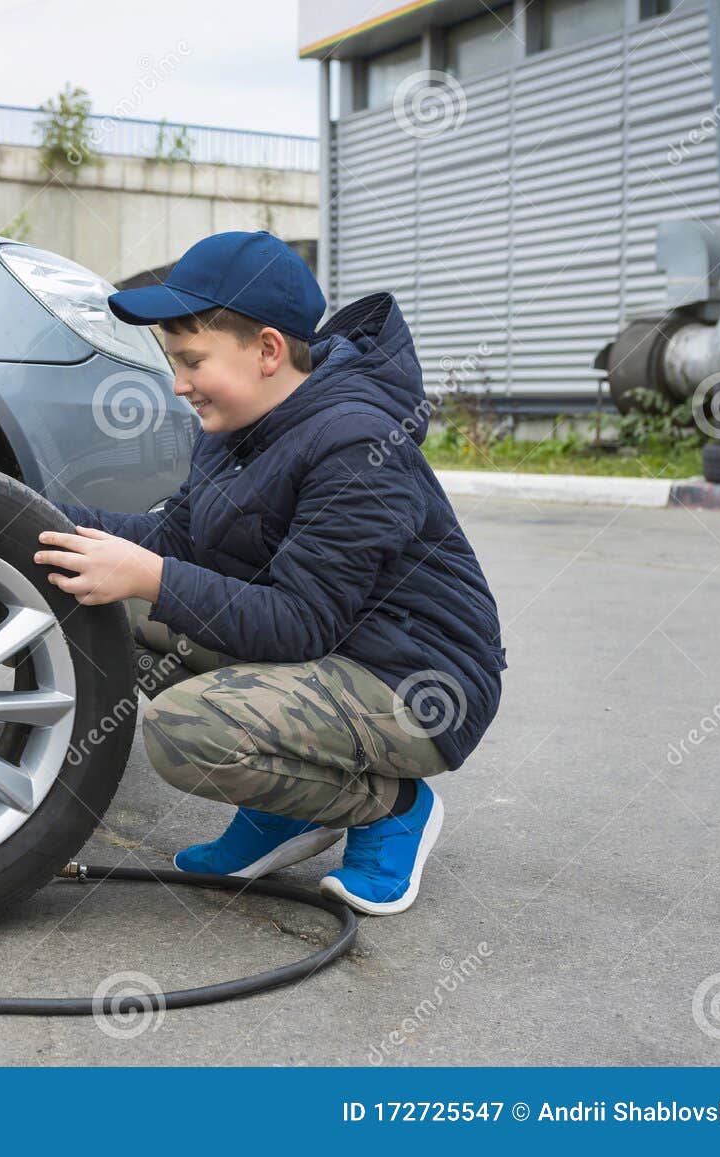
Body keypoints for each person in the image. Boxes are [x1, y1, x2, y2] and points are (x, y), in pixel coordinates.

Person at [34, 231, 506, 916]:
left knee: (182, 729)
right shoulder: (233, 431)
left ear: (267, 351)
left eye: (192, 360)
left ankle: (391, 807)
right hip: (332, 651)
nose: (178, 383)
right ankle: (281, 803)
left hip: (414, 677)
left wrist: (151, 577)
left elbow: (297, 620)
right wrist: (27, 514)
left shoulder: (356, 441)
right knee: (98, 596)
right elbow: (175, 539)